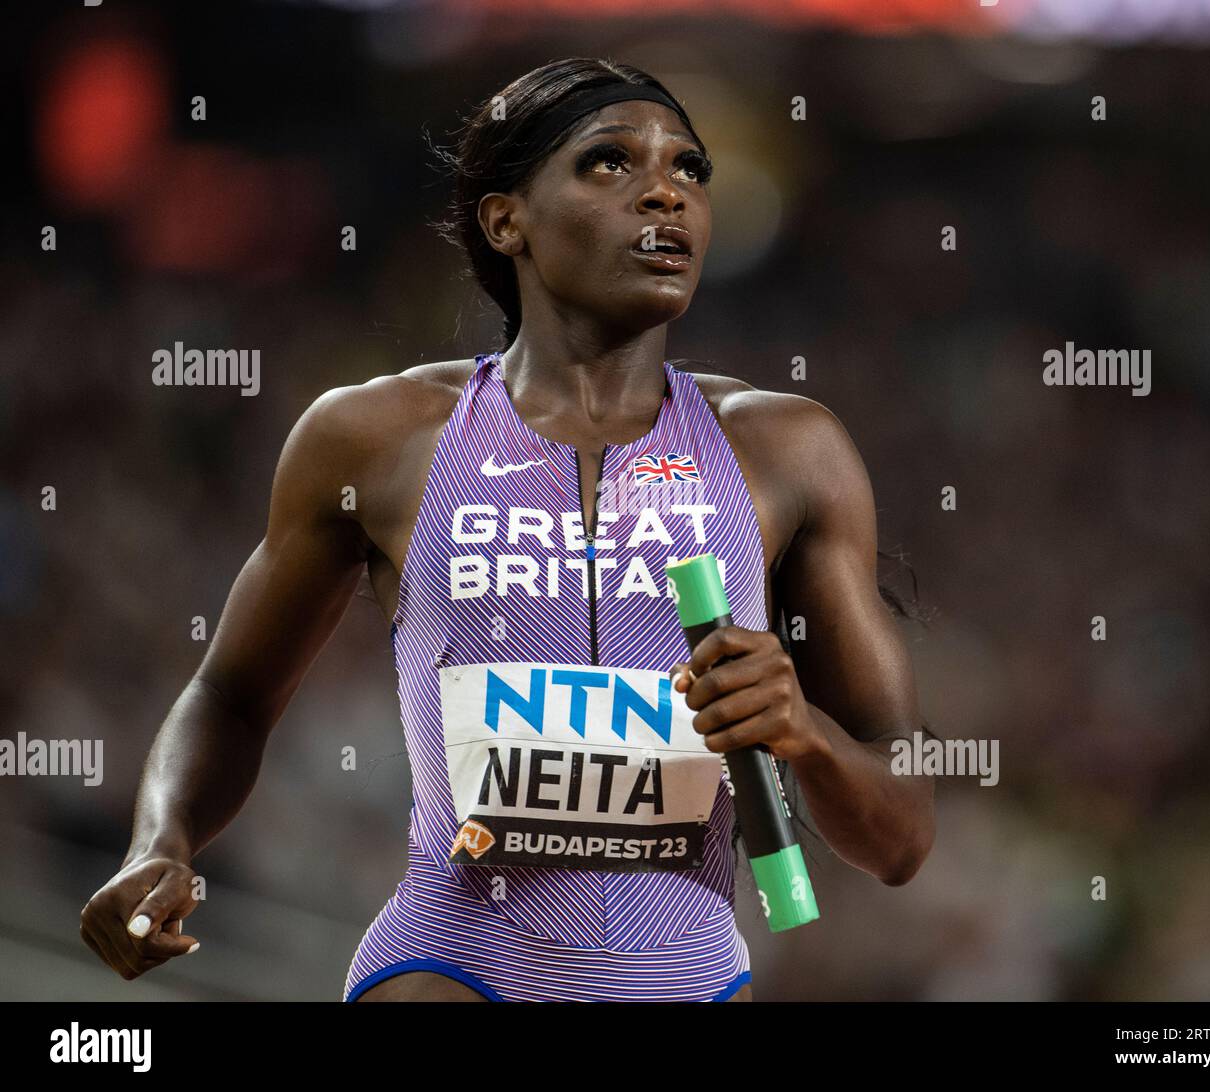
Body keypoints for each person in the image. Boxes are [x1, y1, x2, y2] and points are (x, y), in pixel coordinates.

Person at [79, 57, 935, 1002]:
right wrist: (161, 839)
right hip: (454, 963)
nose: (667, 191)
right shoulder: (376, 436)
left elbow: (900, 839)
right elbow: (231, 695)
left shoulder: (788, 451)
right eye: (610, 162)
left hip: (687, 976)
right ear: (506, 220)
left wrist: (804, 732)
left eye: (691, 170)